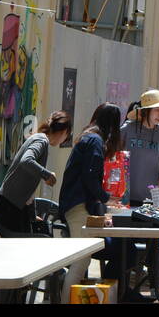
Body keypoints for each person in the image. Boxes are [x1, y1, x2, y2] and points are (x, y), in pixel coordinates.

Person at [58, 104, 121, 295]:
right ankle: (65, 300)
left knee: (82, 258)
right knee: (82, 259)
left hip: (74, 203)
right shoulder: (95, 141)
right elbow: (90, 177)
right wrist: (106, 198)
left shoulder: (87, 136)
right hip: (78, 206)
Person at [0, 111, 71, 234]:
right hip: (10, 207)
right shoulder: (42, 140)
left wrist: (32, 214)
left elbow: (28, 188)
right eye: (67, 135)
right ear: (64, 132)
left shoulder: (39, 138)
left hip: (13, 205)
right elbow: (26, 160)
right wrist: (47, 175)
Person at [120, 90, 159, 203]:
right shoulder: (126, 131)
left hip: (154, 200)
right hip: (125, 199)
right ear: (145, 111)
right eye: (156, 110)